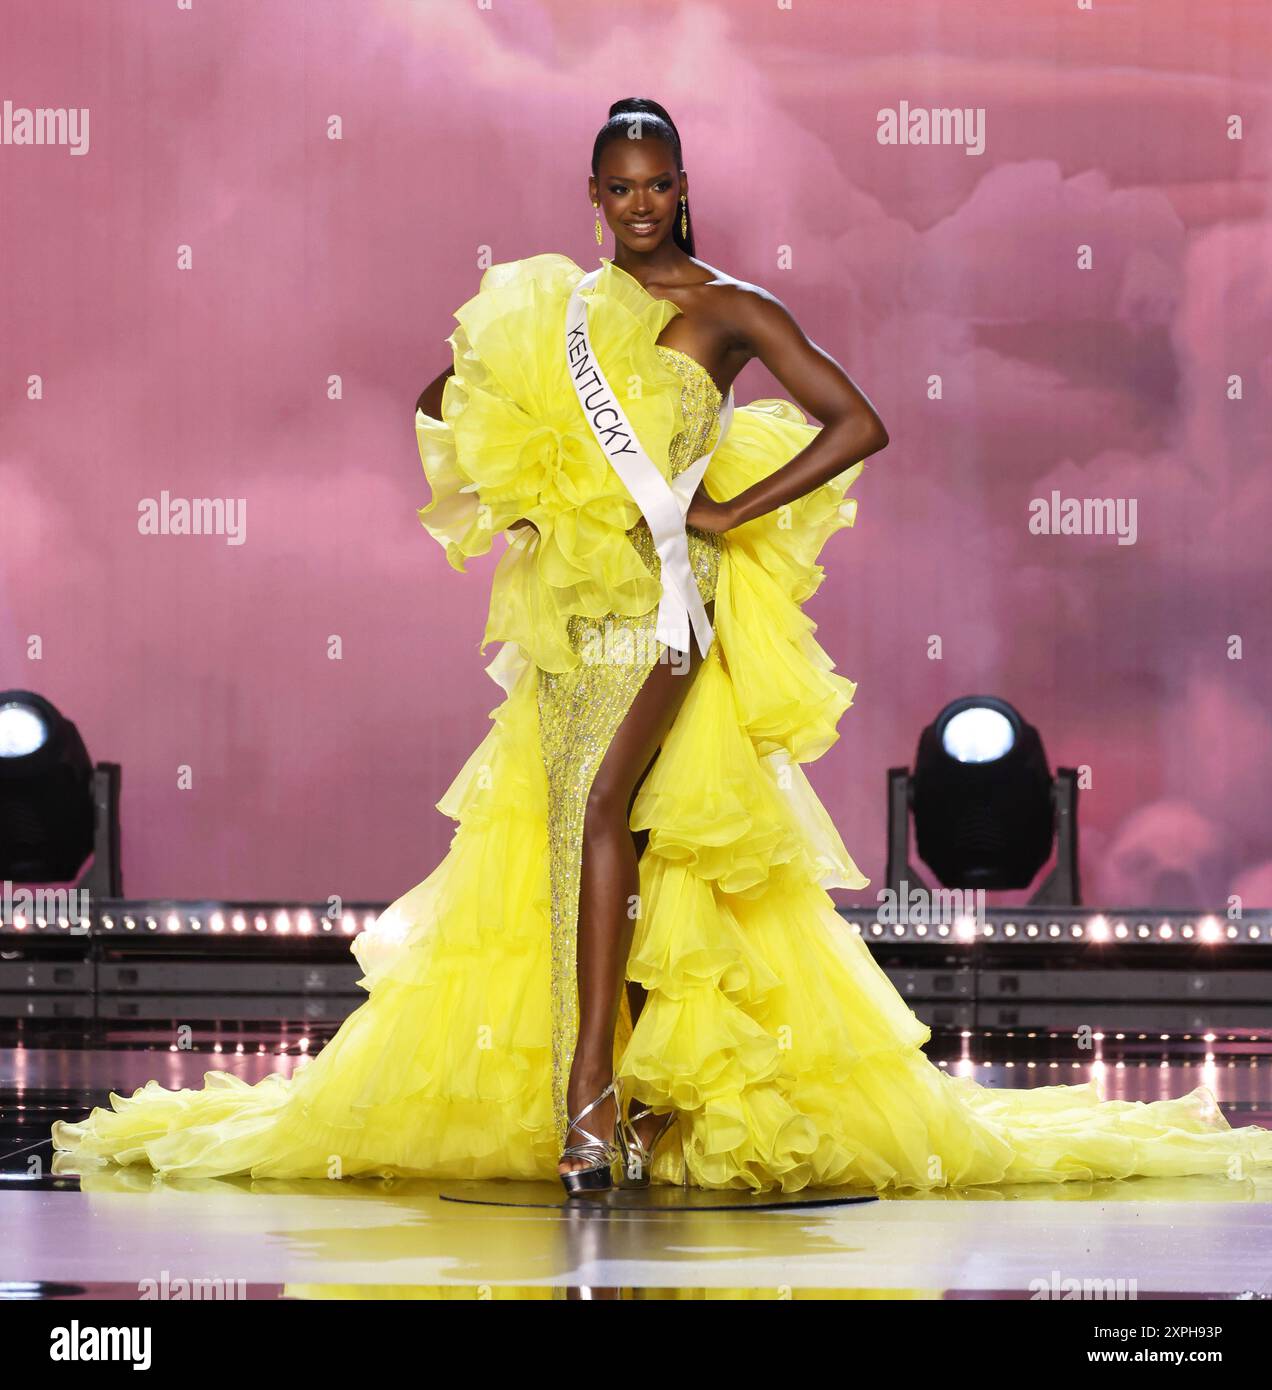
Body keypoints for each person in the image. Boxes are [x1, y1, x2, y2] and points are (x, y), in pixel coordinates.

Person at [52, 99, 1272, 1196]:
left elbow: (860, 421)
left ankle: (592, 1096)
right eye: (619, 186)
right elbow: (442, 399)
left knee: (596, 812)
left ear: (684, 186)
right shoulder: (557, 308)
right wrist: (529, 490)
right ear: (594, 197)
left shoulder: (731, 311)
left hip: (669, 614)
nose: (640, 204)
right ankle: (615, 1099)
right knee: (581, 838)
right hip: (572, 620)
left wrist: (733, 510)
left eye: (658, 183)